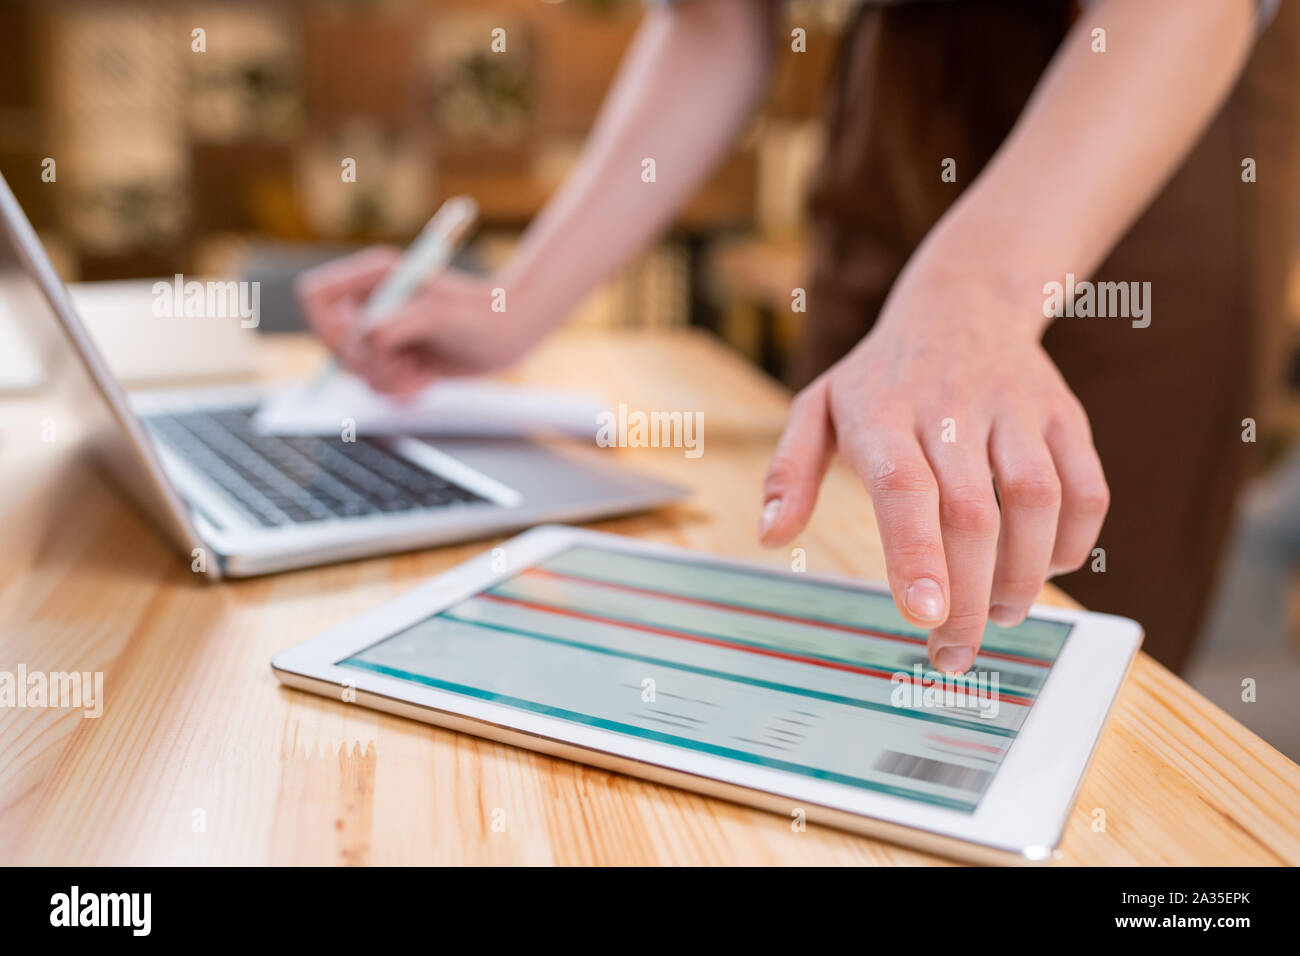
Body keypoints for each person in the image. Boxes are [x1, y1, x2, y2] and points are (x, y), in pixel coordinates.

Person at [297, 0, 1298, 674]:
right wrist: (515, 303)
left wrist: (977, 297)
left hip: (1133, 98)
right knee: (830, 616)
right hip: (891, 87)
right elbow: (711, 21)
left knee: (1038, 663)